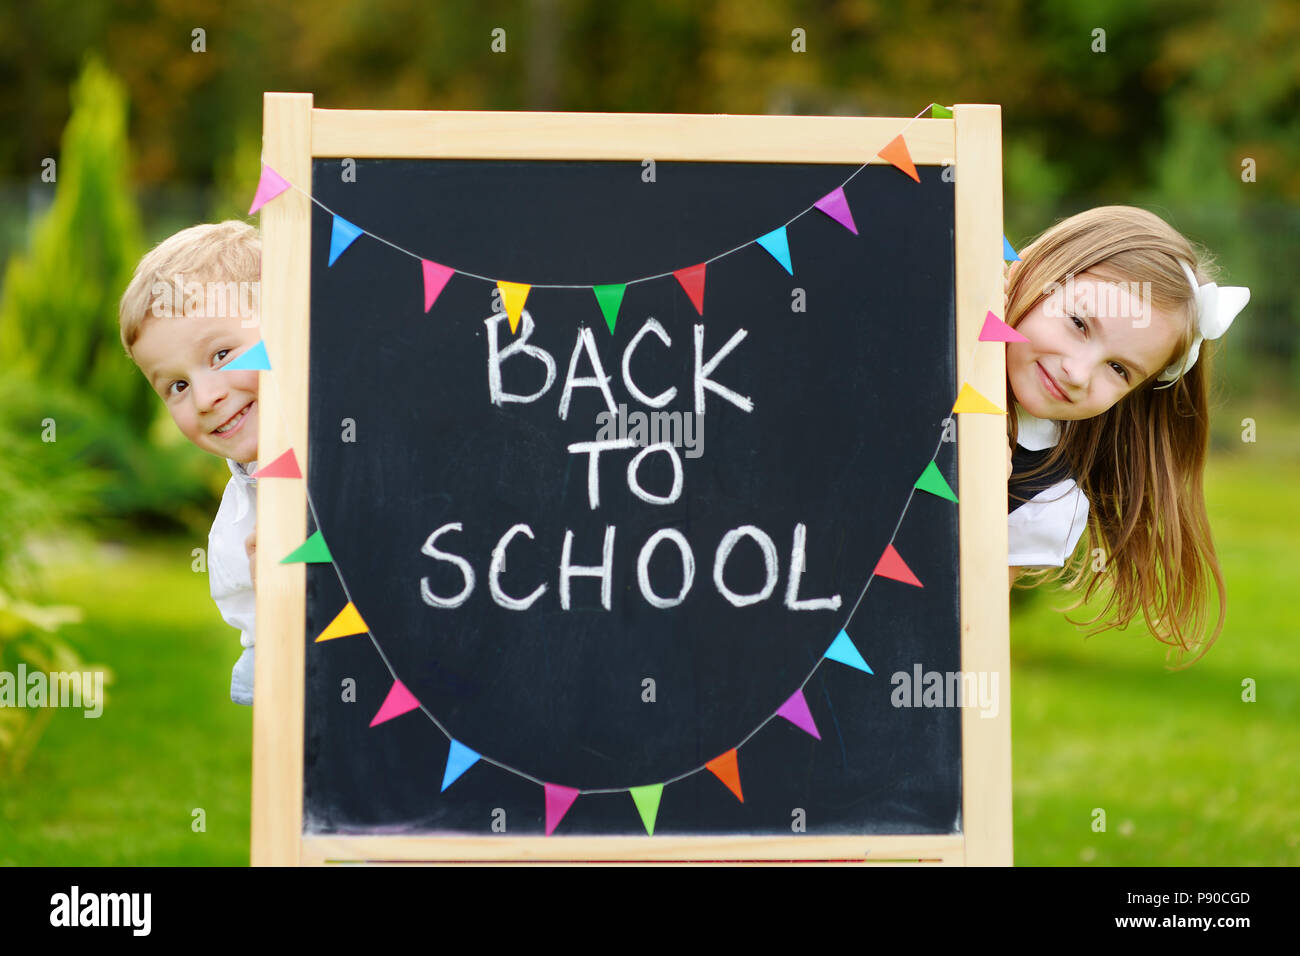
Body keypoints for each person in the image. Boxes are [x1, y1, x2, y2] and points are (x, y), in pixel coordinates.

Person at [1001, 206, 1248, 668]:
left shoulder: (1045, 494)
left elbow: (964, 622)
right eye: (1078, 324)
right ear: (1036, 270)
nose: (1076, 372)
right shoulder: (931, 314)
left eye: (1118, 368)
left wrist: (978, 507)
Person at [119, 221, 262, 704]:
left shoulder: (353, 445)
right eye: (176, 386)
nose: (205, 397)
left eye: (222, 354)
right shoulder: (247, 501)